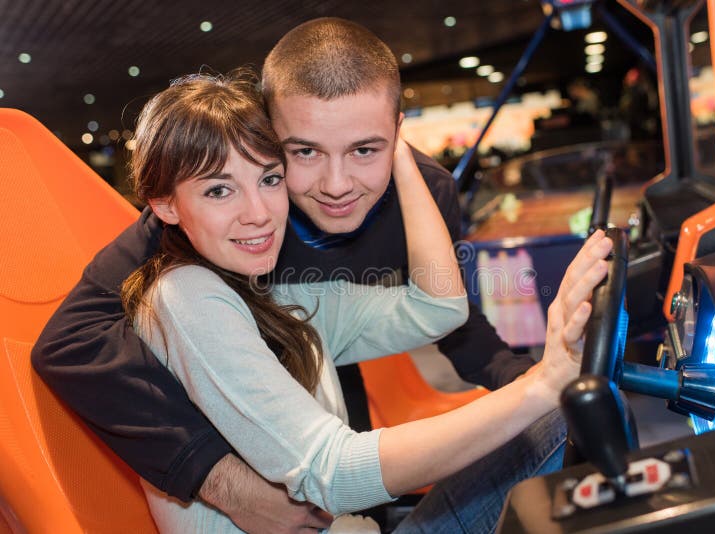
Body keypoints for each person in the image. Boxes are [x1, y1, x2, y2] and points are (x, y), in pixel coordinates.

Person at [32, 18, 611, 533]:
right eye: (303, 153)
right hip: (320, 462)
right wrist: (220, 479)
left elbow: (444, 315)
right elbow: (70, 340)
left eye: (365, 148)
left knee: (560, 421)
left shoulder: (313, 275)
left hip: (329, 440)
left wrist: (545, 372)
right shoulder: (184, 270)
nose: (336, 185)